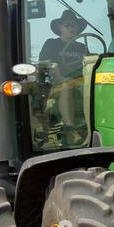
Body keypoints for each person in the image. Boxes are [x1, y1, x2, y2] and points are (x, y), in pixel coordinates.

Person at [38, 10, 90, 142]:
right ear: (60, 27)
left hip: (80, 81)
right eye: (68, 26)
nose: (72, 28)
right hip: (57, 82)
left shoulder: (81, 46)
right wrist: (60, 76)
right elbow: (44, 64)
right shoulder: (51, 44)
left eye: (74, 26)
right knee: (66, 85)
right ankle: (71, 130)